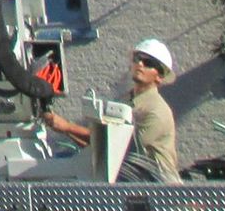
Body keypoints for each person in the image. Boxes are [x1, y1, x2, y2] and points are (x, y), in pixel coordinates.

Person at [43, 37, 181, 181]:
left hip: (162, 188)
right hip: (138, 183)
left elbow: (118, 146)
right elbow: (101, 149)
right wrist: (65, 129)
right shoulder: (126, 101)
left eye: (148, 63)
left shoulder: (156, 110)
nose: (140, 64)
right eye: (137, 58)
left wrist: (67, 127)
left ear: (159, 76)